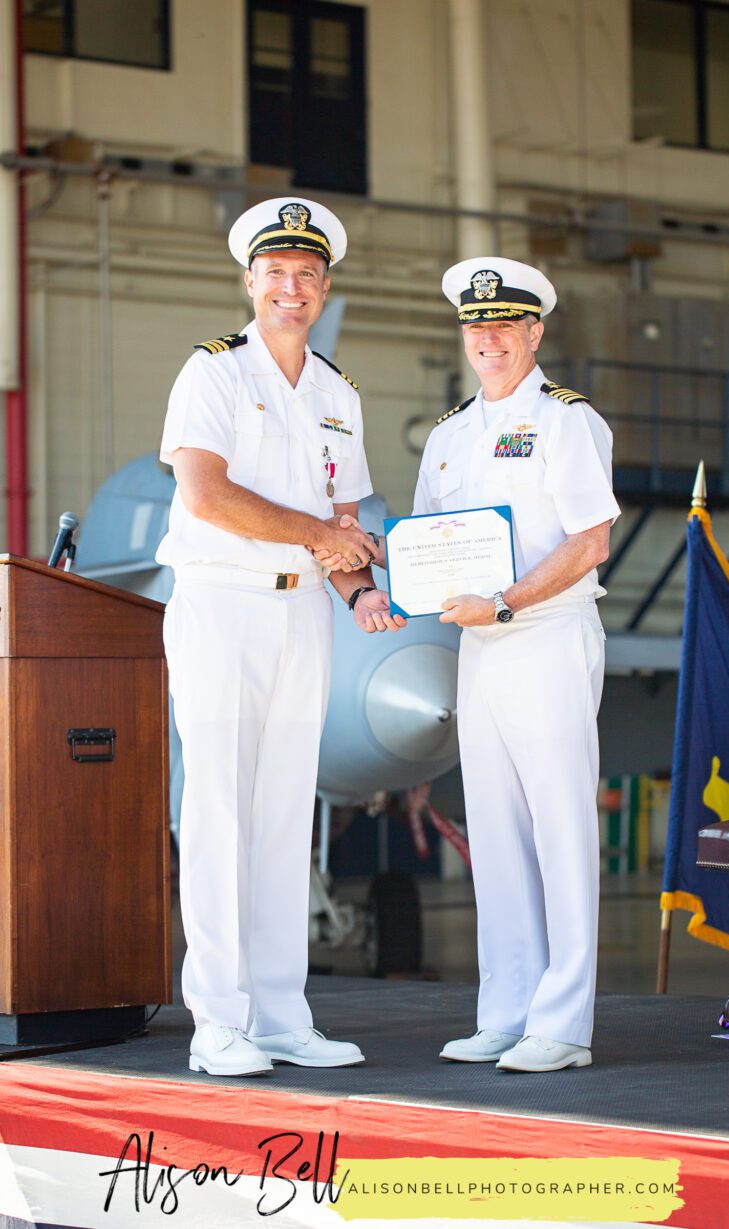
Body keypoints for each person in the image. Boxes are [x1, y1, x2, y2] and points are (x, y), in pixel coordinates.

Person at [157, 196, 402, 1078]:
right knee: (220, 809)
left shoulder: (339, 392)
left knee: (284, 813)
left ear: (324, 286)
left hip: (305, 610)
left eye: (306, 276)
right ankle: (216, 1020)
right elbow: (205, 494)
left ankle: (279, 1012)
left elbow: (342, 524)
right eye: (275, 275)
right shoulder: (214, 373)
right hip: (223, 603)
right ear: (250, 282)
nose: (290, 289)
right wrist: (323, 536)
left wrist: (362, 591)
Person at [412, 257, 620, 1071]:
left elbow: (590, 539)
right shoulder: (450, 432)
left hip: (544, 632)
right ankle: (508, 1009)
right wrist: (403, 590)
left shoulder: (568, 421)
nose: (489, 338)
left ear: (536, 331)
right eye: (476, 325)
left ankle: (563, 1023)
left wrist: (505, 601)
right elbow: (429, 543)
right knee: (495, 831)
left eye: (506, 324)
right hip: (480, 642)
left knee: (559, 827)